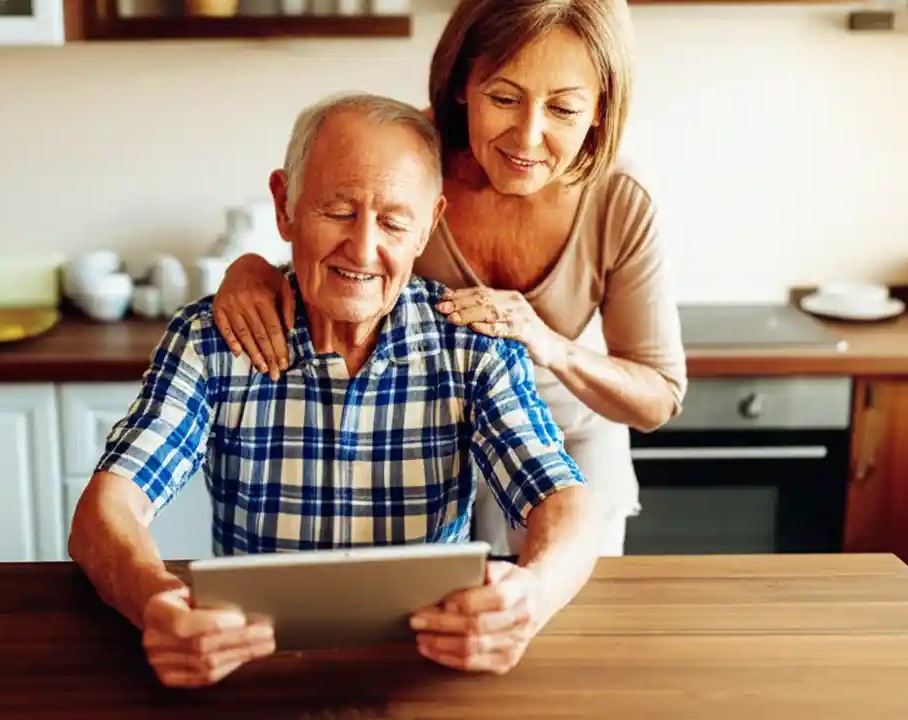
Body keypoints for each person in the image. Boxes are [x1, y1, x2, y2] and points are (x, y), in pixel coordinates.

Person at [68, 93, 602, 689]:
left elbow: (563, 500)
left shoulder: (473, 346)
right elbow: (107, 510)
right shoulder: (212, 339)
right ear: (285, 205)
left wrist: (534, 593)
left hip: (425, 670)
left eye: (395, 221)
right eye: (339, 210)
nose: (364, 247)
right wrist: (155, 602)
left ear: (429, 224)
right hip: (253, 668)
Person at [211, 0, 686, 558]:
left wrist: (549, 344)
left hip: (573, 438)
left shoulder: (620, 197)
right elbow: (330, 241)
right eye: (504, 98)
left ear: (601, 110)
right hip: (434, 442)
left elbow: (658, 399)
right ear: (463, 83)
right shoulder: (413, 155)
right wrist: (253, 270)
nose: (528, 137)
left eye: (563, 109)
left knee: (564, 618)